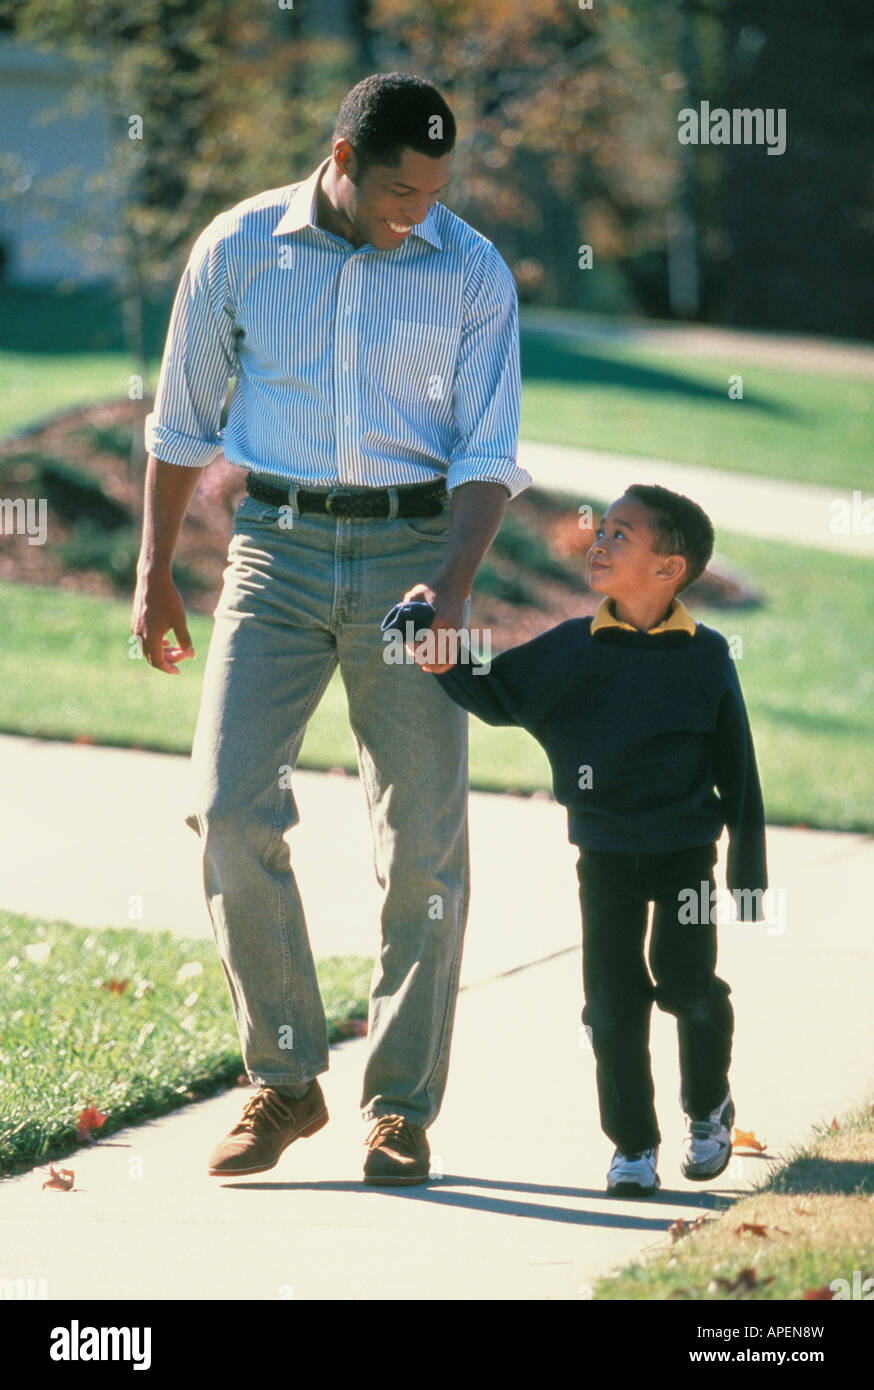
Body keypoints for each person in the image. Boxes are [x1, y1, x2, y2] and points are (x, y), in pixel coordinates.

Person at [131, 71, 531, 1187]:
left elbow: (489, 449)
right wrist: (154, 567)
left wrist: (452, 583)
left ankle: (399, 1106)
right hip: (276, 551)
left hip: (414, 560)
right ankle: (289, 1079)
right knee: (223, 803)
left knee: (423, 846)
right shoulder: (238, 246)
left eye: (436, 190)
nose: (421, 212)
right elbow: (180, 420)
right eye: (401, 188)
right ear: (342, 159)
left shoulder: (470, 268)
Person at [396, 484, 767, 1196]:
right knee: (610, 1001)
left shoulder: (706, 655)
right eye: (604, 529)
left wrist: (748, 878)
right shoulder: (574, 647)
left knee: (689, 986)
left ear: (669, 568)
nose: (599, 540)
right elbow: (497, 692)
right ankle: (632, 1145)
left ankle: (707, 1112)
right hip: (603, 856)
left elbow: (737, 764)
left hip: (686, 855)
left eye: (622, 535)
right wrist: (428, 642)